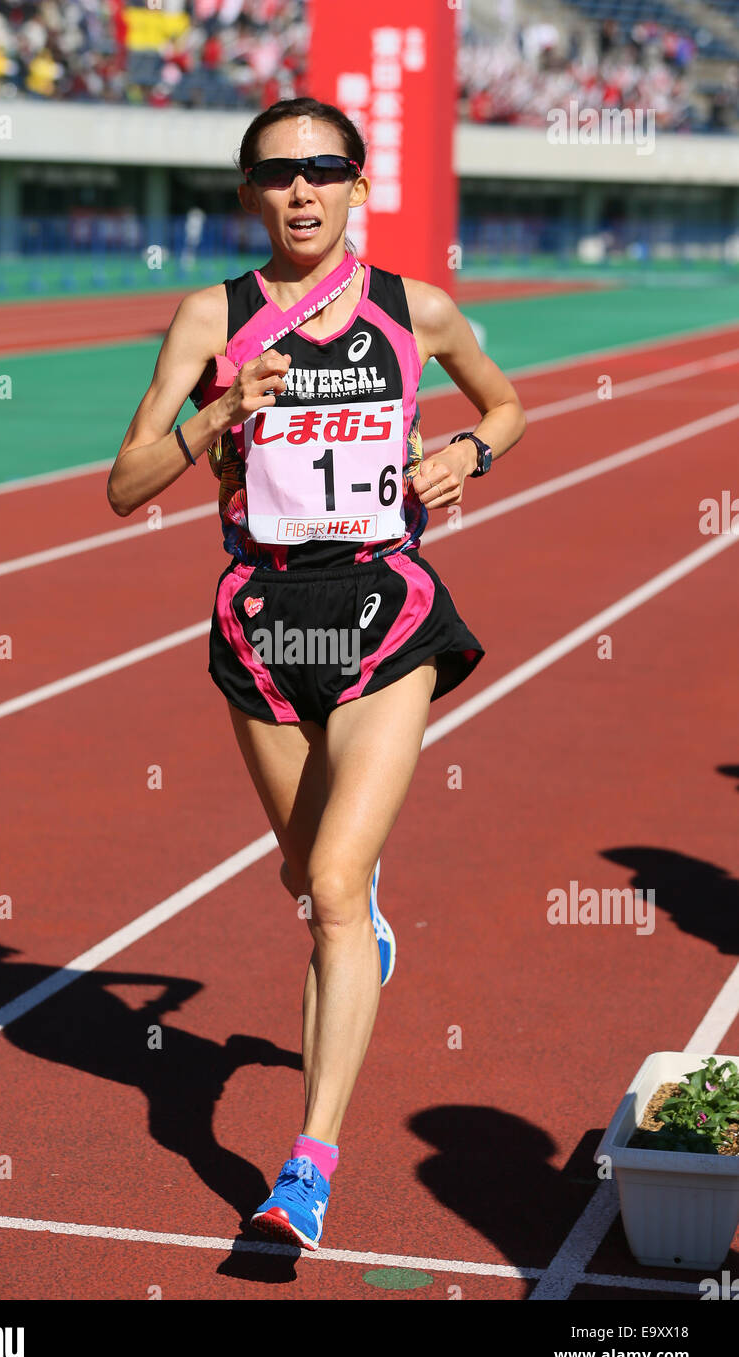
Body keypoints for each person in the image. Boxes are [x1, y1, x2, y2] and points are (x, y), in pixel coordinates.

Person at [107, 96, 525, 1251]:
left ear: (356, 184)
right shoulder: (211, 316)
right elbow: (124, 483)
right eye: (276, 174)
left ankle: (305, 1166)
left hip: (385, 606)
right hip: (262, 620)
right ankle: (357, 924)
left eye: (322, 169)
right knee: (303, 872)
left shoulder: (413, 308)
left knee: (334, 884)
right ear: (250, 194)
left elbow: (504, 400)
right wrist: (219, 415)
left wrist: (465, 451)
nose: (300, 190)